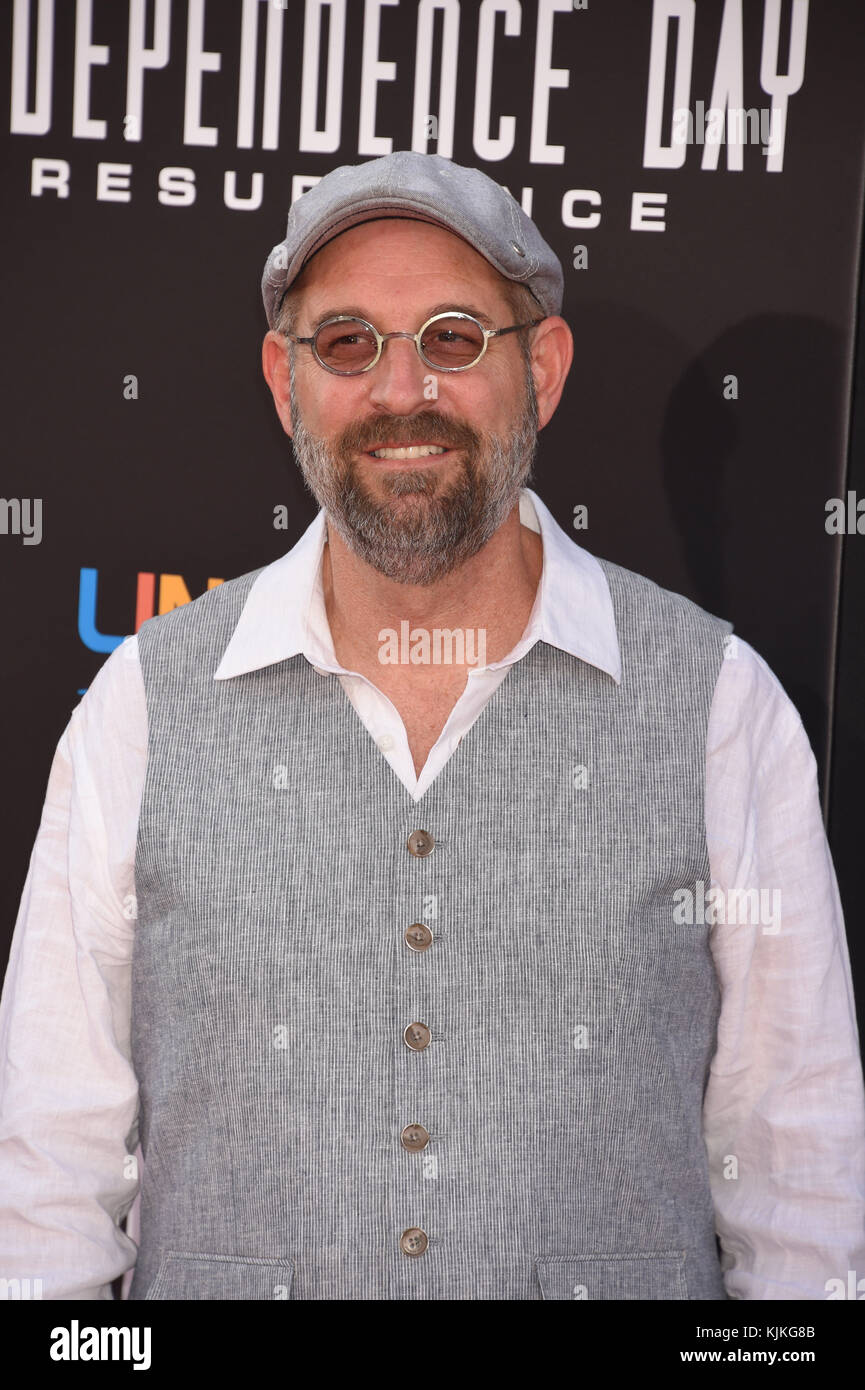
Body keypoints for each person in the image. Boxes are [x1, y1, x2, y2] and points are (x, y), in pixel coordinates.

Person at [1, 151, 863, 1302]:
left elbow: (798, 1172)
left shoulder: (719, 706)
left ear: (542, 370)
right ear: (283, 381)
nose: (401, 390)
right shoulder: (142, 707)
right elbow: (45, 1179)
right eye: (346, 342)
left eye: (453, 337)